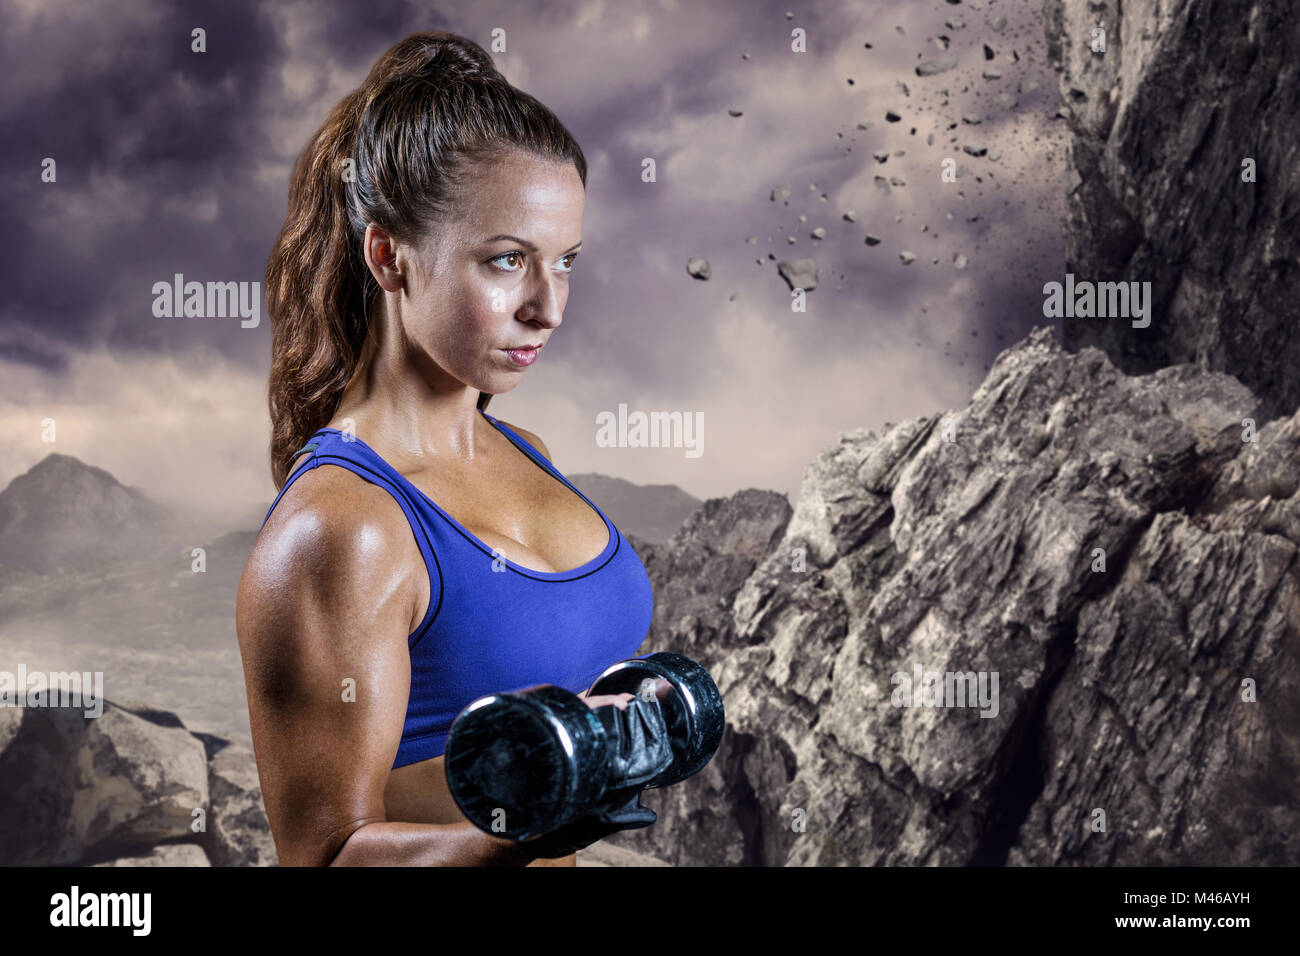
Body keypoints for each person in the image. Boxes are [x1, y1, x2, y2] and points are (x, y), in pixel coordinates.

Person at [236, 30, 654, 866]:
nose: (549, 308)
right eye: (507, 262)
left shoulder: (524, 450)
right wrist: (524, 833)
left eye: (564, 261)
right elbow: (327, 856)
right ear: (389, 256)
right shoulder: (341, 529)